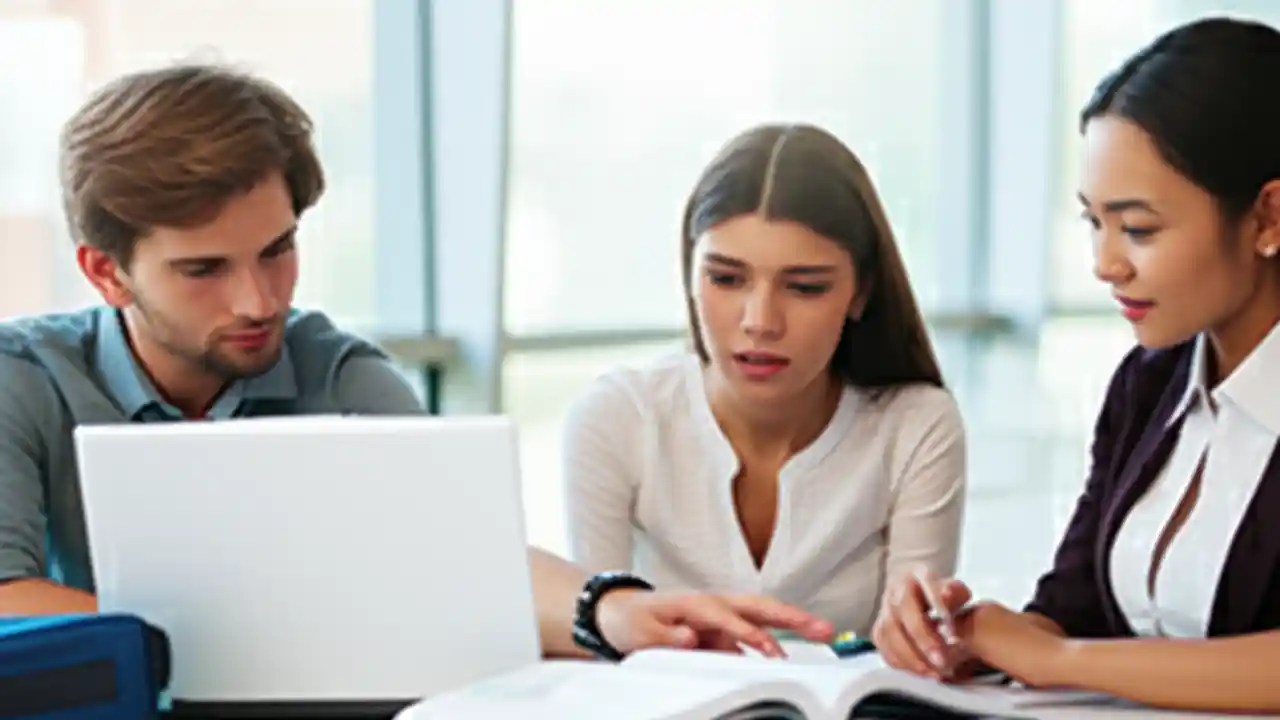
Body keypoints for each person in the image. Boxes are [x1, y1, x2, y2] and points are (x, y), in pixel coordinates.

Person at [0, 64, 833, 659]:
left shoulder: (338, 373)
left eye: (278, 250)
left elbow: (471, 558)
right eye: (204, 270)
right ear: (105, 271)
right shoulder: (24, 380)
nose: (259, 300)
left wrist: (611, 609)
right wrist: (262, 632)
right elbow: (7, 600)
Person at [873, 17, 1280, 713]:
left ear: (1269, 218)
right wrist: (969, 636)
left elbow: (1068, 652)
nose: (1105, 263)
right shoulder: (1149, 383)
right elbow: (1072, 610)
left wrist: (1058, 658)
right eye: (1093, 222)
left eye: (1139, 229)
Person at [563, 124, 966, 635]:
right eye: (726, 279)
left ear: (860, 293)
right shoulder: (619, 417)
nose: (760, 321)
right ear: (690, 275)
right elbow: (587, 640)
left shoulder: (915, 425)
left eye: (805, 287)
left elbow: (911, 652)